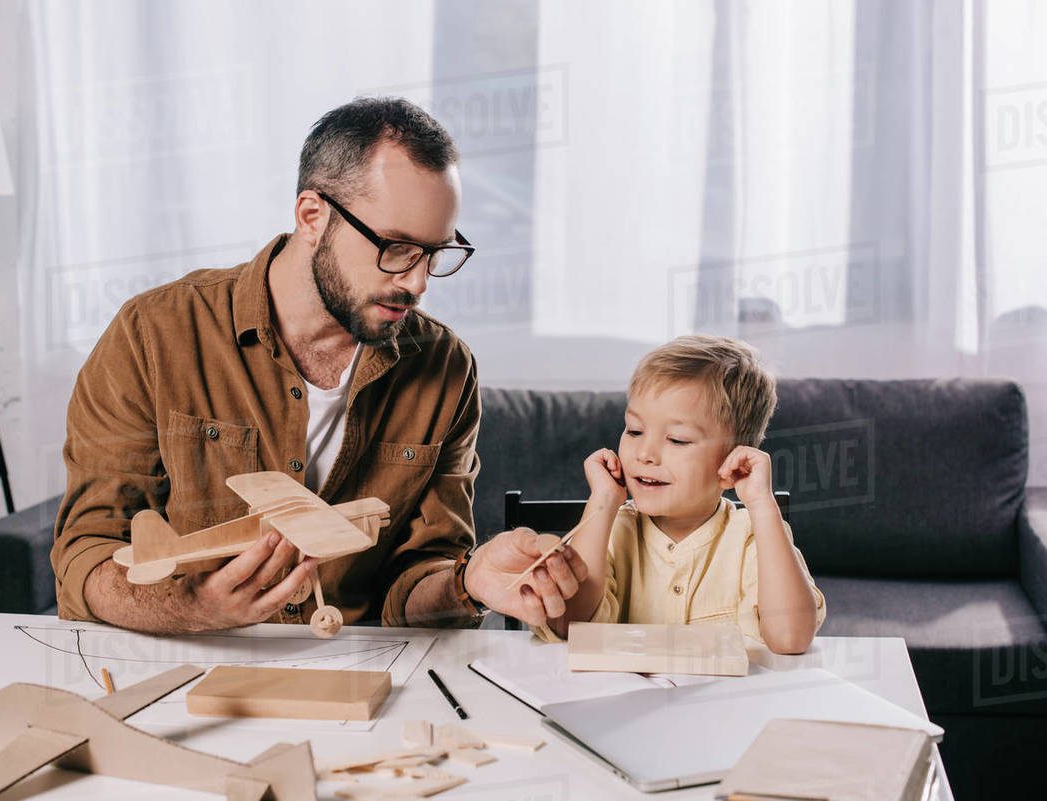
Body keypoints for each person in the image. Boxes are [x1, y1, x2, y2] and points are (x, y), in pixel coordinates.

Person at [51, 97, 587, 634]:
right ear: (313, 217)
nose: (418, 282)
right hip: (194, 660)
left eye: (436, 253)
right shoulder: (154, 333)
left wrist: (467, 584)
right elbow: (86, 552)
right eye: (396, 247)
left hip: (360, 669)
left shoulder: (446, 367)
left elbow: (417, 575)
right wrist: (190, 608)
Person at [535, 335, 826, 653]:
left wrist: (762, 505)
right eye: (634, 431)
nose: (645, 453)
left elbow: (790, 638)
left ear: (734, 460)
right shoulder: (611, 529)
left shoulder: (752, 536)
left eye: (677, 440)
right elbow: (567, 625)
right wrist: (601, 502)